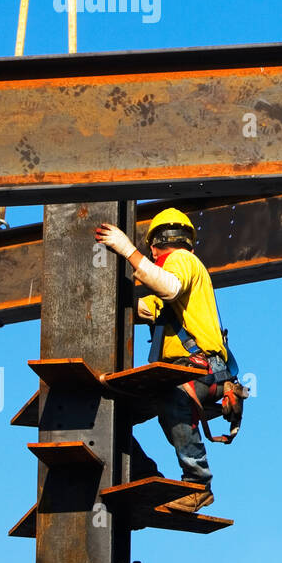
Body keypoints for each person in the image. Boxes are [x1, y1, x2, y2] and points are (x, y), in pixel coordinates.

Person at [94, 208, 230, 514]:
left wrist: (126, 250)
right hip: (181, 371)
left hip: (194, 369)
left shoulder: (181, 261)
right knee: (117, 415)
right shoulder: (179, 284)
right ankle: (144, 474)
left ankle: (198, 485)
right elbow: (146, 307)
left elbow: (167, 287)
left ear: (155, 246)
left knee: (174, 398)